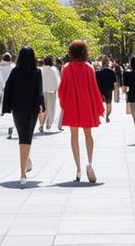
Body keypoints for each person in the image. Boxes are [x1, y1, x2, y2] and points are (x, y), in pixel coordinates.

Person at [57, 40, 105, 183]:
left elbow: (62, 89)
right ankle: (89, 163)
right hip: (86, 104)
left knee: (74, 135)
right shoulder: (89, 67)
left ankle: (78, 168)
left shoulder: (66, 67)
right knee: (88, 134)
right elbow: (94, 89)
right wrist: (98, 107)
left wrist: (64, 103)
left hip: (72, 103)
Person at [2, 46, 45, 185]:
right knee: (27, 137)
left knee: (22, 137)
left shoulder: (15, 72)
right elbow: (39, 92)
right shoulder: (37, 72)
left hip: (18, 109)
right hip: (32, 109)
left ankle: (24, 168)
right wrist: (42, 107)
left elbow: (8, 89)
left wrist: (6, 108)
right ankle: (23, 173)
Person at [39, 56, 60, 132]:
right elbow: (57, 81)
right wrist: (57, 89)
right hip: (51, 91)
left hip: (42, 91)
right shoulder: (54, 70)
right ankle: (49, 123)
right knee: (51, 108)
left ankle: (41, 124)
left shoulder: (41, 70)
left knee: (42, 109)